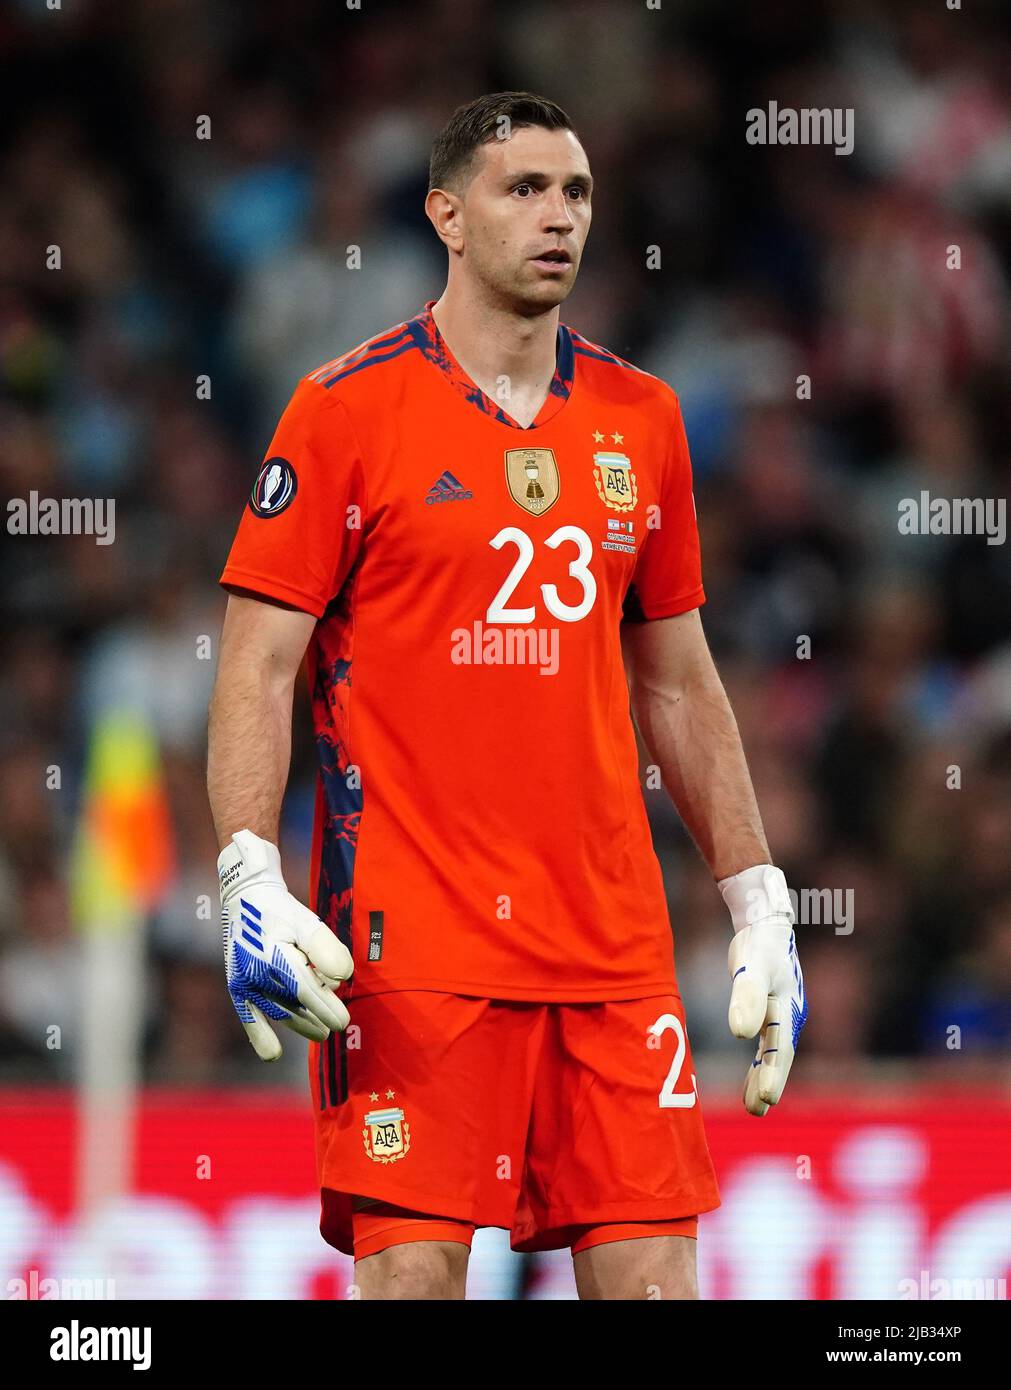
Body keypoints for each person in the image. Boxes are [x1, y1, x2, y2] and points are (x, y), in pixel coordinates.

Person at [207, 91, 806, 1301]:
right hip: (412, 943)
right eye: (522, 189)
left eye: (576, 192)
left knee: (653, 1288)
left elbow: (681, 683)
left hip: (611, 948)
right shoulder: (345, 410)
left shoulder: (644, 418)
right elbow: (257, 664)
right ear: (447, 214)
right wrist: (243, 868)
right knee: (417, 1281)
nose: (559, 217)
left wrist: (756, 895)